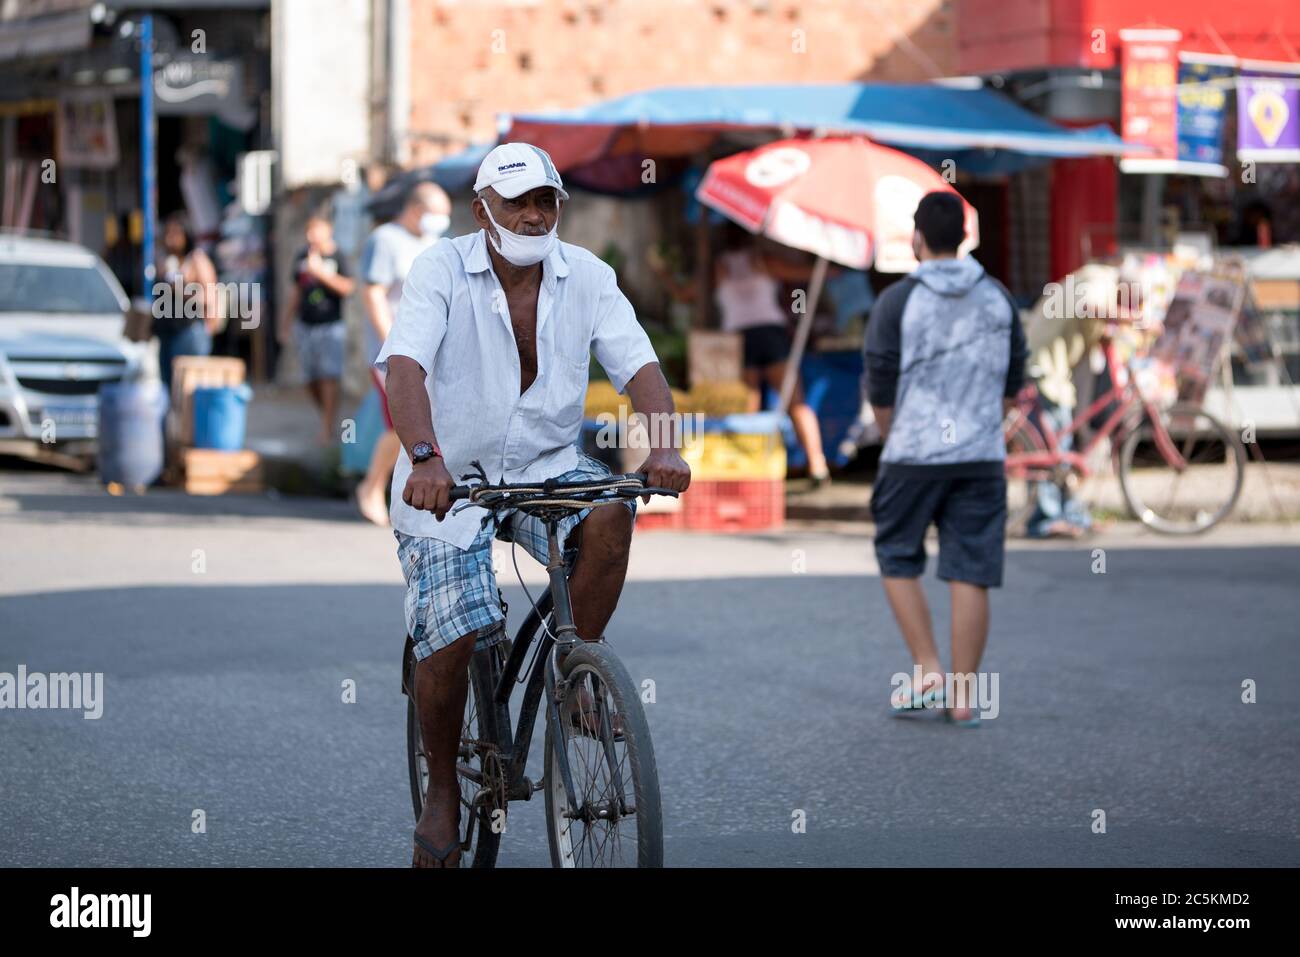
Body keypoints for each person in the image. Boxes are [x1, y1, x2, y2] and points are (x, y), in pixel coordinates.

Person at [376, 142, 691, 867]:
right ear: (480, 210)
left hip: (546, 464)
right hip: (450, 477)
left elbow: (639, 365)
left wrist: (665, 446)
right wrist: (425, 458)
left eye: (545, 200)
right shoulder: (440, 270)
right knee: (454, 632)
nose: (533, 213)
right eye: (517, 201)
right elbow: (405, 369)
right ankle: (444, 791)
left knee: (613, 511)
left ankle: (577, 674)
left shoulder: (587, 276)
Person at [863, 191, 1027, 727]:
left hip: (911, 453)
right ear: (965, 237)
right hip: (981, 455)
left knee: (896, 553)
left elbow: (881, 383)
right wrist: (983, 424)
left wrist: (894, 437)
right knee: (971, 570)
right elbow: (1013, 381)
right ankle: (963, 698)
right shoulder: (998, 297)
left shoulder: (897, 301)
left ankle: (928, 668)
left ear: (916, 238)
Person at [652, 223, 832, 485]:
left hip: (741, 339)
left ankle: (753, 467)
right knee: (797, 403)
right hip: (771, 335)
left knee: (749, 408)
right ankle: (817, 465)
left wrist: (662, 273)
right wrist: (832, 265)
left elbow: (684, 294)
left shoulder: (717, 268)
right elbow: (808, 273)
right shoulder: (763, 261)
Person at [355, 181, 451, 526]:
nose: (441, 222)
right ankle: (371, 487)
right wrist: (391, 346)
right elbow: (373, 294)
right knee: (399, 422)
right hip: (396, 353)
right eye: (436, 215)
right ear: (415, 210)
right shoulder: (386, 240)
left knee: (423, 421)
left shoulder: (434, 244)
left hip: (431, 353)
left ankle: (403, 492)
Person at [278, 215, 356, 444]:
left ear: (328, 230)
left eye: (316, 230)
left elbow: (347, 288)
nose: (312, 236)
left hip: (330, 325)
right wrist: (285, 323)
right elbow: (296, 293)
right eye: (309, 231)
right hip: (305, 326)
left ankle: (327, 427)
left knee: (329, 376)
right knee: (309, 379)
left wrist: (321, 272)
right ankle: (327, 417)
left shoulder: (338, 256)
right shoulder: (302, 256)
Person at [155, 214, 219, 391]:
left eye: (176, 234)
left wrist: (181, 289)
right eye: (168, 233)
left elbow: (210, 296)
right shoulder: (165, 262)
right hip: (167, 331)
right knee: (169, 387)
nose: (171, 239)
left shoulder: (196, 260)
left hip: (189, 331)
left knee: (187, 389)